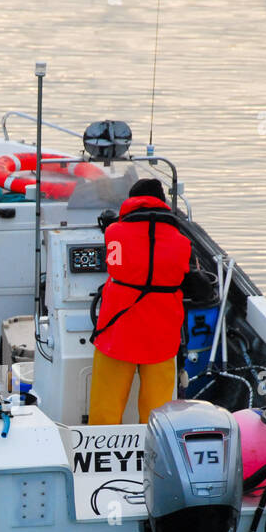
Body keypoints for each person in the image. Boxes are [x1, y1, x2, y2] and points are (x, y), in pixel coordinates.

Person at [88, 177, 193, 424]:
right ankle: (153, 456)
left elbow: (116, 264)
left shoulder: (114, 232)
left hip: (117, 330)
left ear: (131, 201)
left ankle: (101, 454)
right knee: (157, 414)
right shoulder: (182, 241)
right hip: (162, 334)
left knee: (106, 408)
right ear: (163, 203)